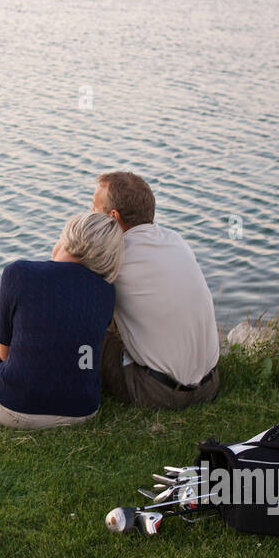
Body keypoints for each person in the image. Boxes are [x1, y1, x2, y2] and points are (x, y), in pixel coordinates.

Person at [0, 212, 123, 428]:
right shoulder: (106, 291)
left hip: (14, 407)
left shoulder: (21, 273)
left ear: (68, 237)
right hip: (83, 411)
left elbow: (3, 353)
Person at [91, 171, 221, 409]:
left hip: (159, 393)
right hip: (210, 384)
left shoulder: (113, 255)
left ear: (112, 217)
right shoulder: (176, 241)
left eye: (94, 209)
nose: (90, 216)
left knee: (84, 321)